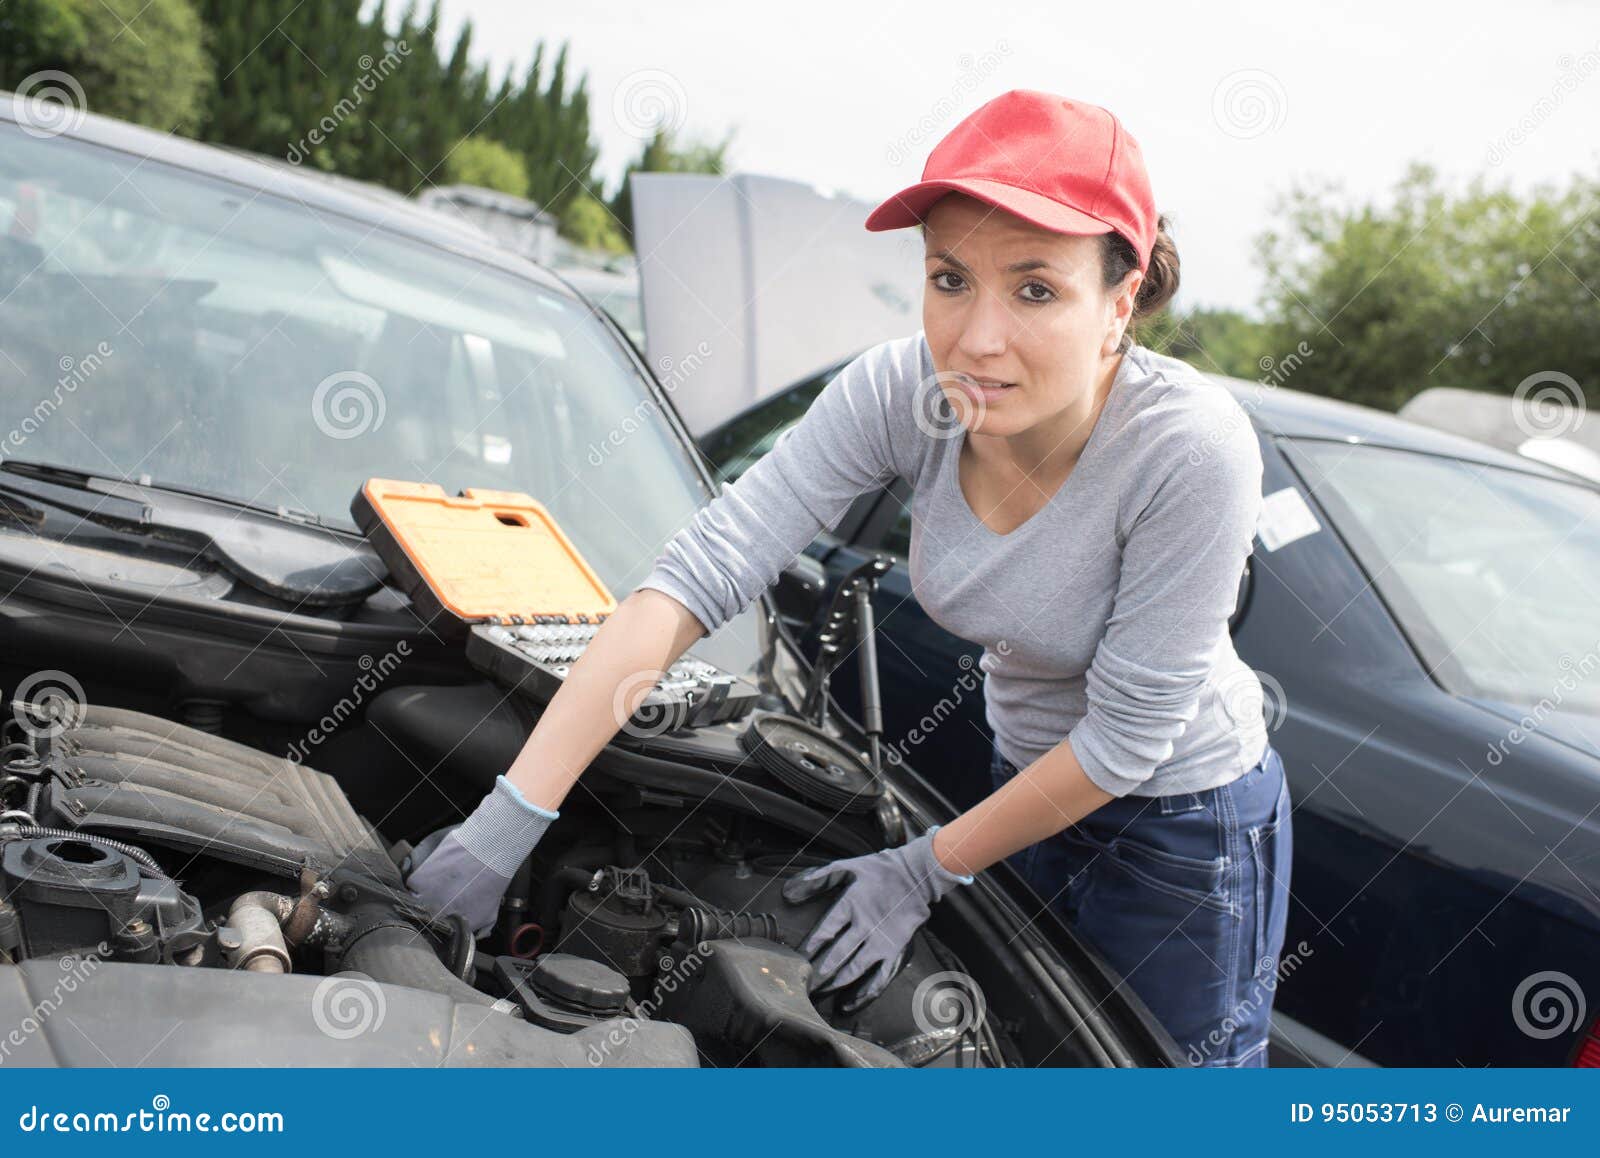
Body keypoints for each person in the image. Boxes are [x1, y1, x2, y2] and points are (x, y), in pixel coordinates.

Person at [406, 89, 1293, 1067]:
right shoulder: (897, 390)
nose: (977, 336)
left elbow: (1126, 741)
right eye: (950, 279)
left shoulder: (1187, 448)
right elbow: (702, 571)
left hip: (1182, 824)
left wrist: (922, 867)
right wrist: (509, 818)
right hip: (1024, 778)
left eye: (1035, 289)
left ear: (1119, 301)